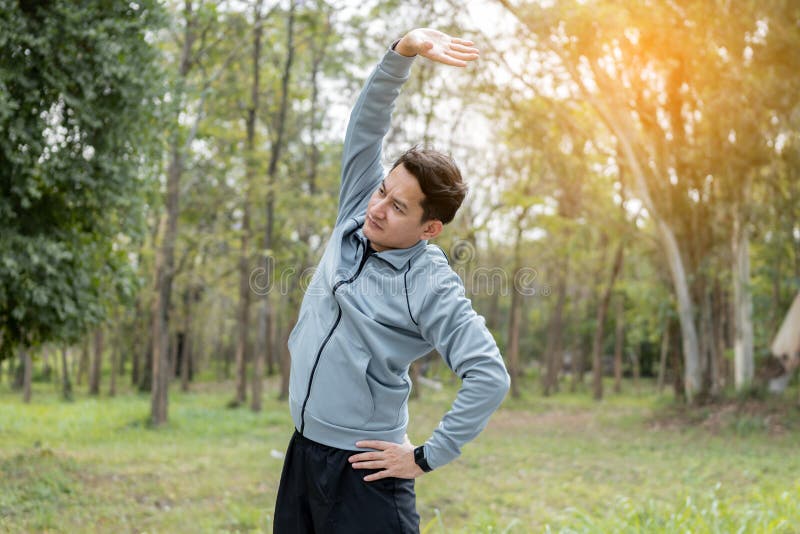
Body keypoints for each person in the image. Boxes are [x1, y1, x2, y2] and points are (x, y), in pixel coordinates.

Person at [273, 27, 510, 533]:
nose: (377, 208)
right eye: (383, 191)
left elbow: (489, 375)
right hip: (303, 452)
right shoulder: (357, 210)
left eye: (398, 207)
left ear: (430, 228)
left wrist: (426, 456)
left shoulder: (430, 284)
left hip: (366, 472)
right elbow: (367, 124)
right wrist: (403, 51)